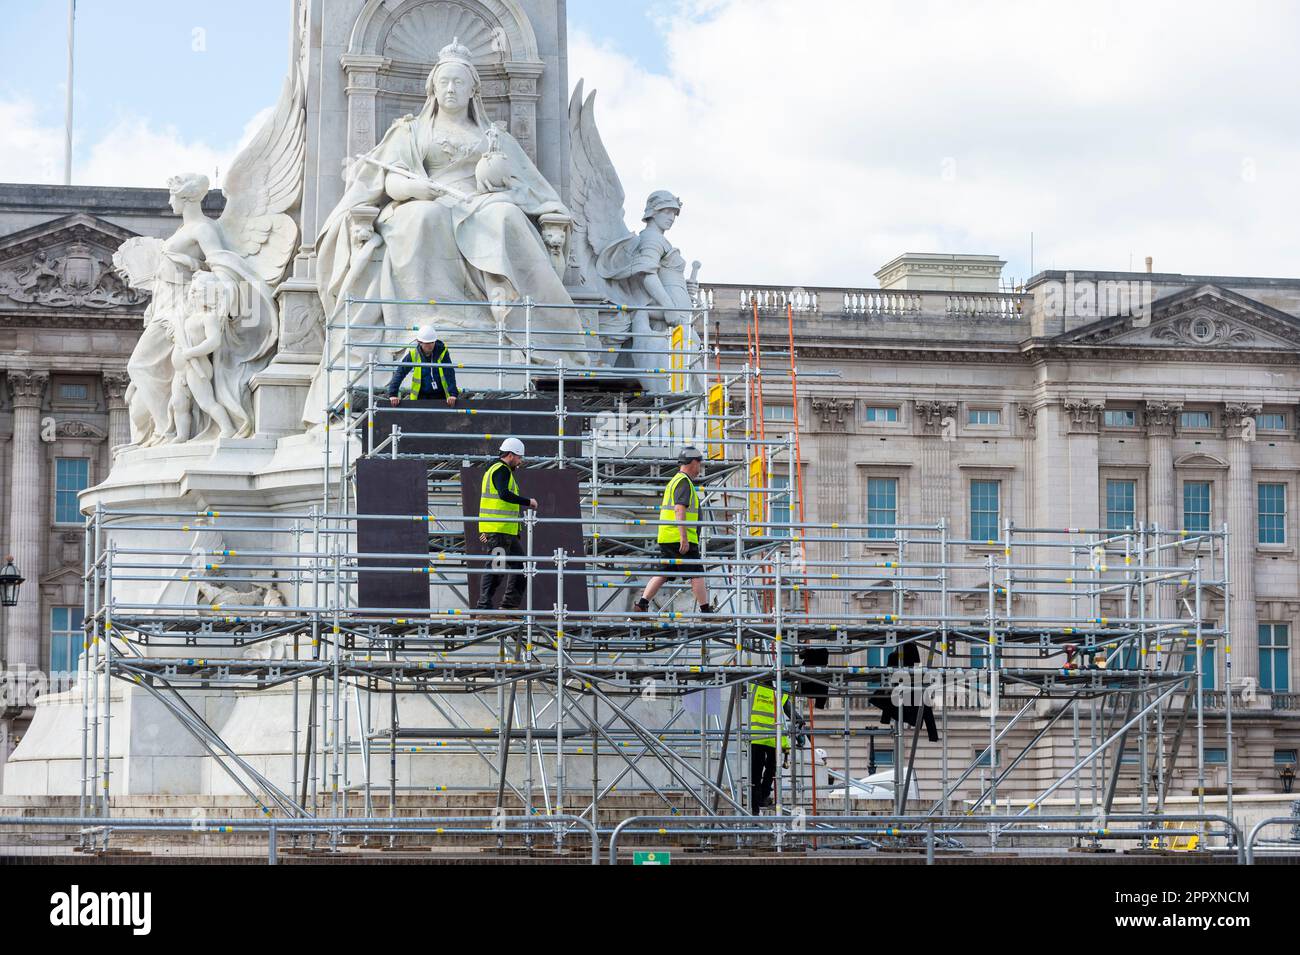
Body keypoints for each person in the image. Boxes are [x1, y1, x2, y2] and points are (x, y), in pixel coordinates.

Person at [634, 447, 713, 615]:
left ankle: (642, 604)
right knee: (697, 573)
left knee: (664, 572)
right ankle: (706, 612)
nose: (700, 468)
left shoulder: (675, 481)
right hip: (680, 538)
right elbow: (679, 509)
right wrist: (684, 537)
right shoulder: (684, 482)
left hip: (668, 536)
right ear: (693, 462)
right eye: (699, 463)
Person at [475, 437, 538, 613]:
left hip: (503, 532)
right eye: (519, 458)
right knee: (496, 568)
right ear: (510, 455)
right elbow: (503, 495)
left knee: (520, 566)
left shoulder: (499, 470)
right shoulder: (501, 471)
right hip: (498, 532)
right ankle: (484, 607)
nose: (520, 462)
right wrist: (528, 502)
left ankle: (509, 605)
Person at [387, 324, 460, 406]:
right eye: (427, 343)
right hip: (420, 396)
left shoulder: (442, 352)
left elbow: (449, 372)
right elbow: (400, 372)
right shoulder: (413, 354)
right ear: (419, 342)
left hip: (441, 395)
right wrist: (393, 394)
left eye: (432, 342)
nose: (430, 346)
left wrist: (453, 394)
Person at [749, 680, 793, 814]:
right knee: (771, 770)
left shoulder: (753, 687)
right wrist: (801, 722)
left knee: (755, 774)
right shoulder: (778, 693)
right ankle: (763, 796)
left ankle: (755, 805)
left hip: (757, 737)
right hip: (773, 740)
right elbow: (791, 712)